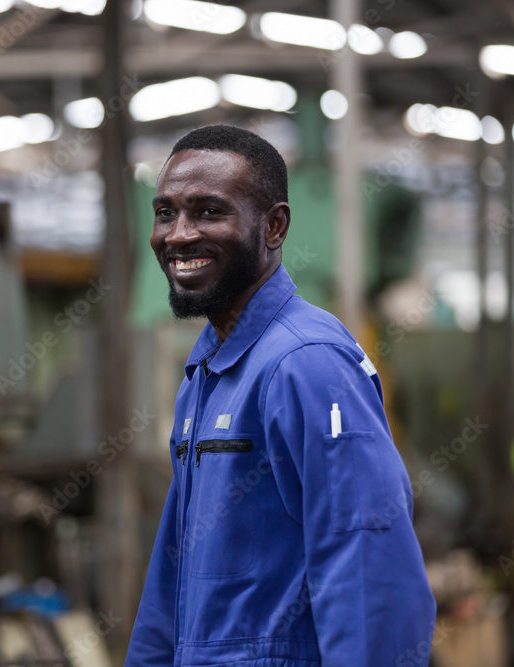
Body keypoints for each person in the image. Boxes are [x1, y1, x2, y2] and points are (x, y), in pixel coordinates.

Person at [125, 124, 436, 666]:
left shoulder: (307, 364)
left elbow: (369, 574)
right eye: (165, 212)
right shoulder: (207, 370)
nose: (177, 234)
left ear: (274, 226)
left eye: (208, 212)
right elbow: (171, 577)